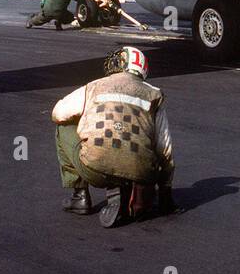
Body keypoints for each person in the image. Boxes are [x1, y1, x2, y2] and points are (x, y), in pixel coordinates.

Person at [51, 46, 175, 222]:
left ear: (121, 65)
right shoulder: (155, 94)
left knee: (62, 127)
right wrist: (165, 193)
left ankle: (80, 196)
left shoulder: (93, 86)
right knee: (143, 146)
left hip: (96, 169)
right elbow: (165, 149)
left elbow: (58, 113)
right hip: (140, 172)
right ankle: (126, 185)